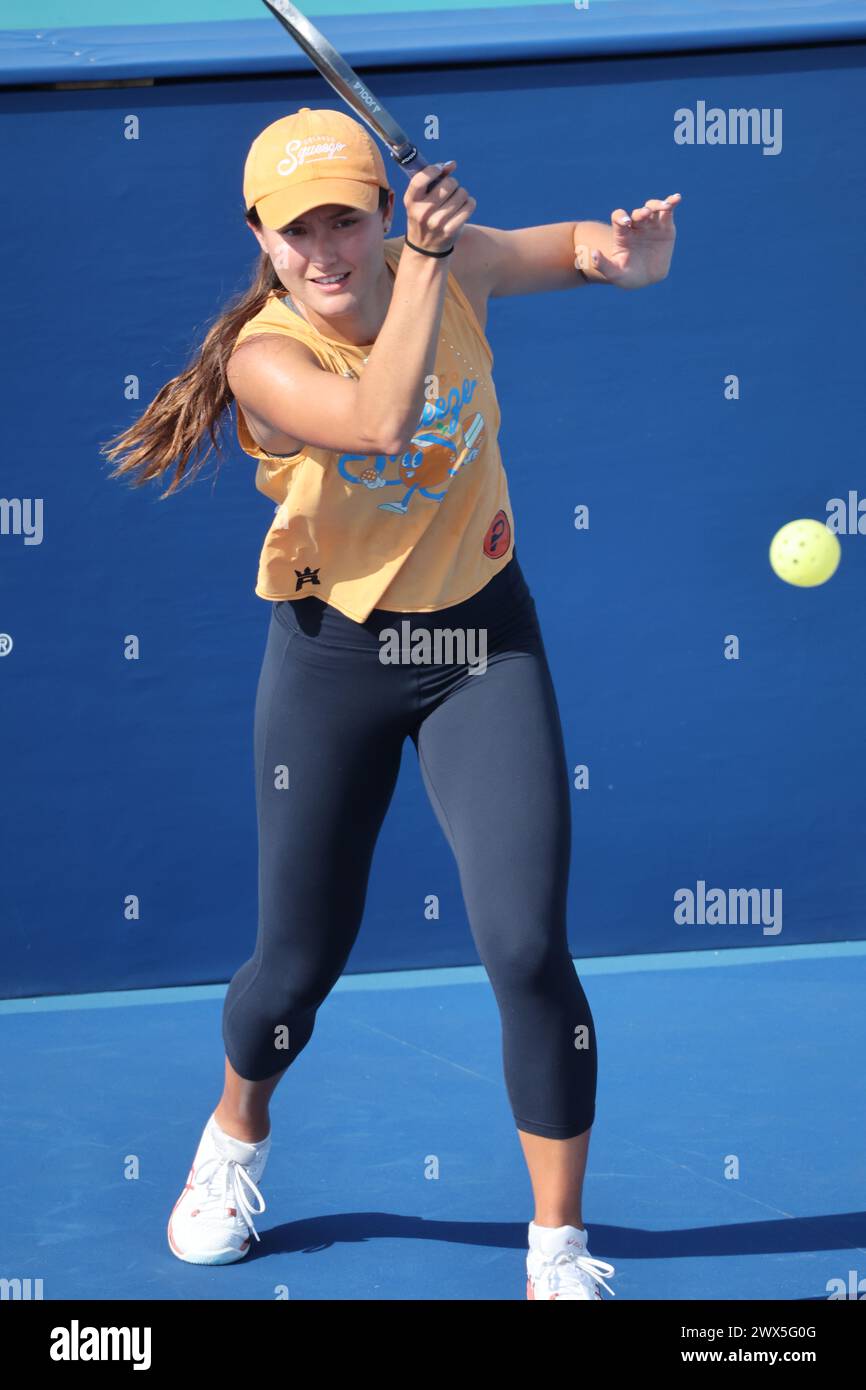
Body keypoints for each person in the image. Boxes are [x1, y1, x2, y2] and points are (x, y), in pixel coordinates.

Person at [101, 106, 680, 1300]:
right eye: (296, 227)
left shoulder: (447, 263)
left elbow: (563, 247)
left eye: (345, 220)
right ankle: (233, 1140)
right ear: (259, 235)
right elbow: (380, 419)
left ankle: (558, 1249)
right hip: (333, 661)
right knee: (293, 967)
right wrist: (419, 262)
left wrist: (622, 257)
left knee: (525, 946)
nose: (324, 250)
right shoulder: (260, 360)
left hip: (481, 640)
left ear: (378, 213)